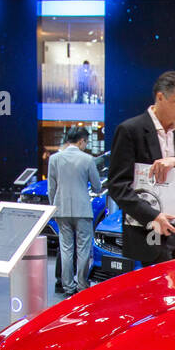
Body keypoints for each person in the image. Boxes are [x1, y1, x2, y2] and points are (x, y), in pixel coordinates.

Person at [106, 70, 175, 266]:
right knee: (156, 289)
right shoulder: (130, 130)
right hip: (148, 225)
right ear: (161, 97)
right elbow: (118, 186)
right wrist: (153, 216)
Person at [48, 125, 104, 294]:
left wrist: (54, 207)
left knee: (65, 248)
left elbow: (52, 187)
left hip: (62, 209)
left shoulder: (54, 159)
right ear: (81, 141)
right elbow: (97, 187)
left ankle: (67, 286)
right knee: (83, 248)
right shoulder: (87, 160)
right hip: (83, 210)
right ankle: (81, 284)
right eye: (85, 142)